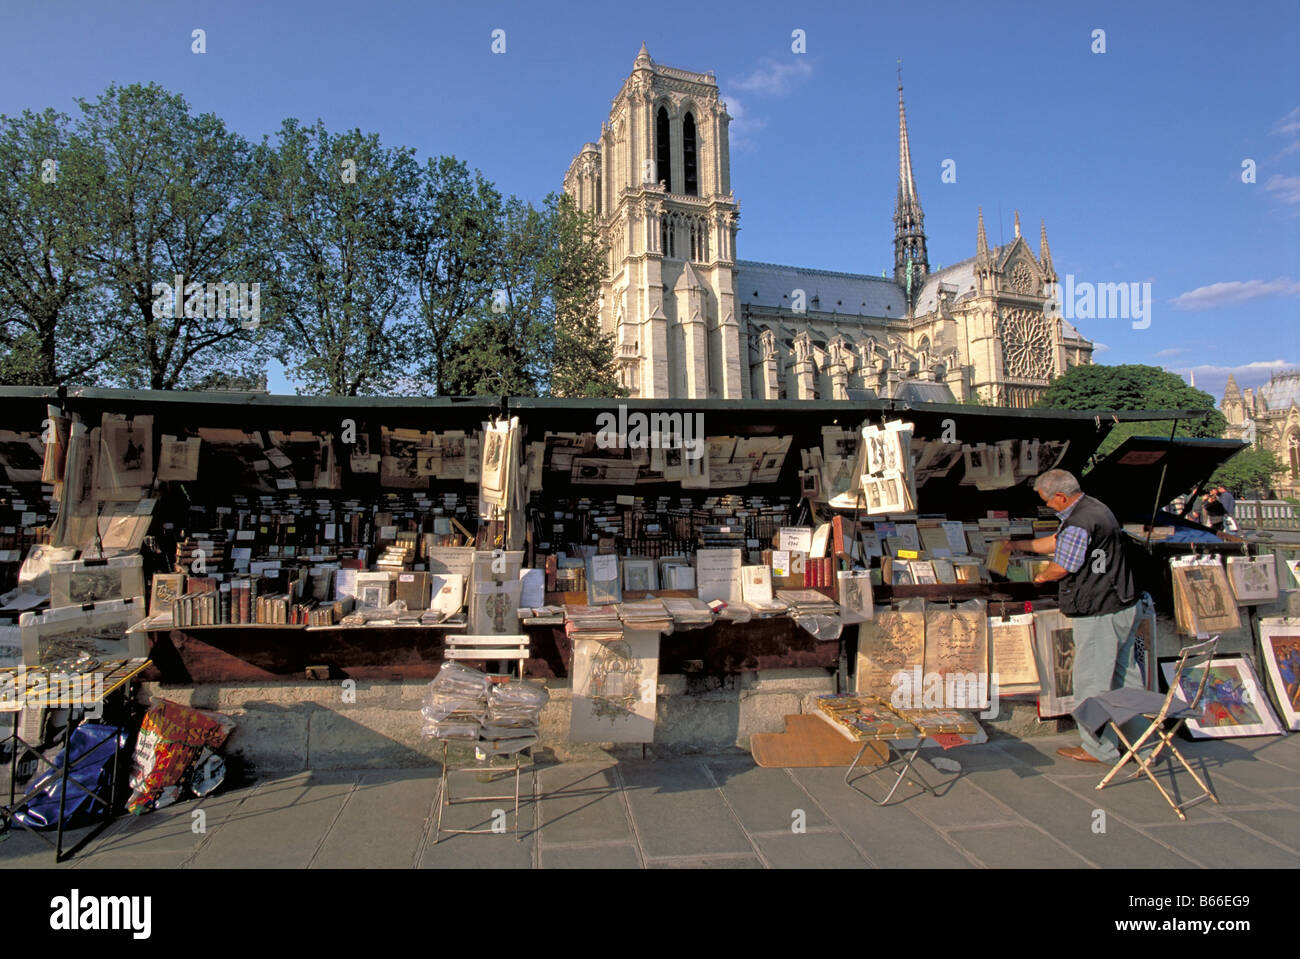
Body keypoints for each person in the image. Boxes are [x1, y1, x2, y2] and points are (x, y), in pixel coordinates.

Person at [1006, 469, 1143, 763]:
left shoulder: (1079, 522)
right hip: (1122, 603)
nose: (1046, 506)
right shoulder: (1095, 508)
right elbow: (1058, 542)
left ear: (1060, 496)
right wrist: (1018, 546)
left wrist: (1039, 577)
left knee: (1091, 684)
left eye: (1047, 501)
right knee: (1125, 679)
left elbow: (1062, 566)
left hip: (1097, 610)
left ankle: (1099, 749)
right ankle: (1143, 744)